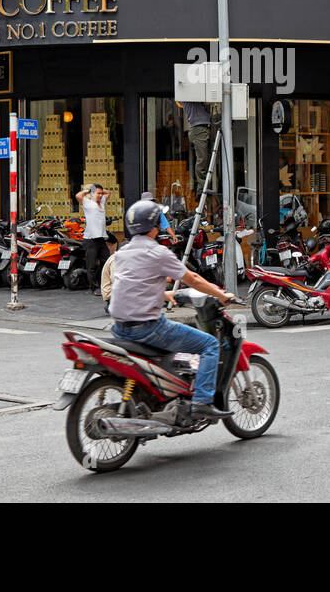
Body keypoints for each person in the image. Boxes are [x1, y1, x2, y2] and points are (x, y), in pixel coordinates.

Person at [109, 200, 235, 422]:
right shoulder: (159, 252)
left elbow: (133, 284)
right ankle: (201, 403)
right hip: (148, 328)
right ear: (155, 225)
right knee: (209, 344)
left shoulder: (122, 252)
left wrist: (163, 295)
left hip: (119, 328)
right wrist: (221, 295)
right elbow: (192, 278)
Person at [75, 184, 110, 295]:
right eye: (97, 193)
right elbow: (78, 195)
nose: (100, 195)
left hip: (101, 238)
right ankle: (94, 288)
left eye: (101, 193)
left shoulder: (102, 202)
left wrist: (100, 190)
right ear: (92, 194)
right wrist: (89, 190)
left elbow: (108, 192)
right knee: (91, 265)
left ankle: (101, 284)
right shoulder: (88, 203)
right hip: (91, 239)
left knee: (106, 262)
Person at [180, 100, 213, 196]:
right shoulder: (187, 96)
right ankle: (202, 187)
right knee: (202, 159)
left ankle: (203, 186)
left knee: (204, 158)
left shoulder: (190, 97)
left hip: (201, 128)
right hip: (199, 129)